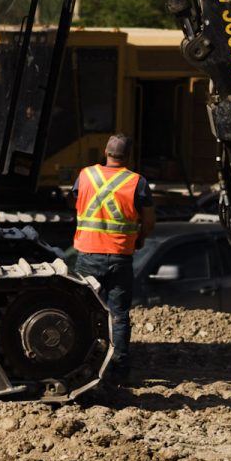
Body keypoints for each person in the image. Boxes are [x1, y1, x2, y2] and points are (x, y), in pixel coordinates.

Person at [70, 134, 155, 385]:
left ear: (105, 152)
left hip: (88, 254)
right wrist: (139, 240)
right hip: (120, 256)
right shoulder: (137, 182)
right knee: (118, 314)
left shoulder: (85, 175)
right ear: (127, 156)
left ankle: (83, 364)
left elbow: (74, 201)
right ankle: (119, 369)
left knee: (84, 311)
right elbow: (148, 221)